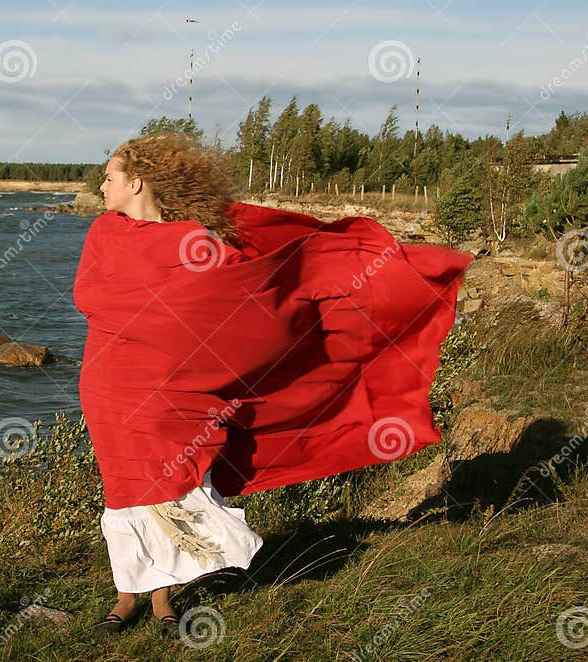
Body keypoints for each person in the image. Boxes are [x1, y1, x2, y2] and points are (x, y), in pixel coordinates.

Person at [72, 133, 472, 639]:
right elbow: (88, 294)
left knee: (166, 480)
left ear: (137, 182)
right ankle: (126, 597)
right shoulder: (105, 233)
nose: (101, 185)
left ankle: (161, 599)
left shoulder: (190, 238)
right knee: (123, 489)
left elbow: (237, 292)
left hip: (171, 387)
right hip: (110, 380)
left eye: (109, 176)